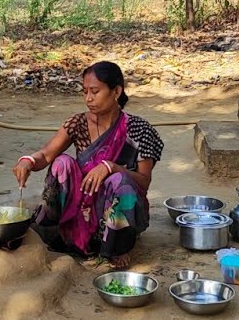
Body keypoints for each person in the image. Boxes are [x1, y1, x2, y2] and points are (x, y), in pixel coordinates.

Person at [13, 61, 164, 270]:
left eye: (95, 91)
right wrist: (27, 161)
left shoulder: (138, 130)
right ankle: (62, 232)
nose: (88, 99)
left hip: (114, 211)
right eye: (85, 92)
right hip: (78, 208)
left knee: (119, 180)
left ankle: (115, 246)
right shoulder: (77, 123)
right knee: (61, 163)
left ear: (116, 91)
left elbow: (143, 182)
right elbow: (46, 155)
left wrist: (112, 167)